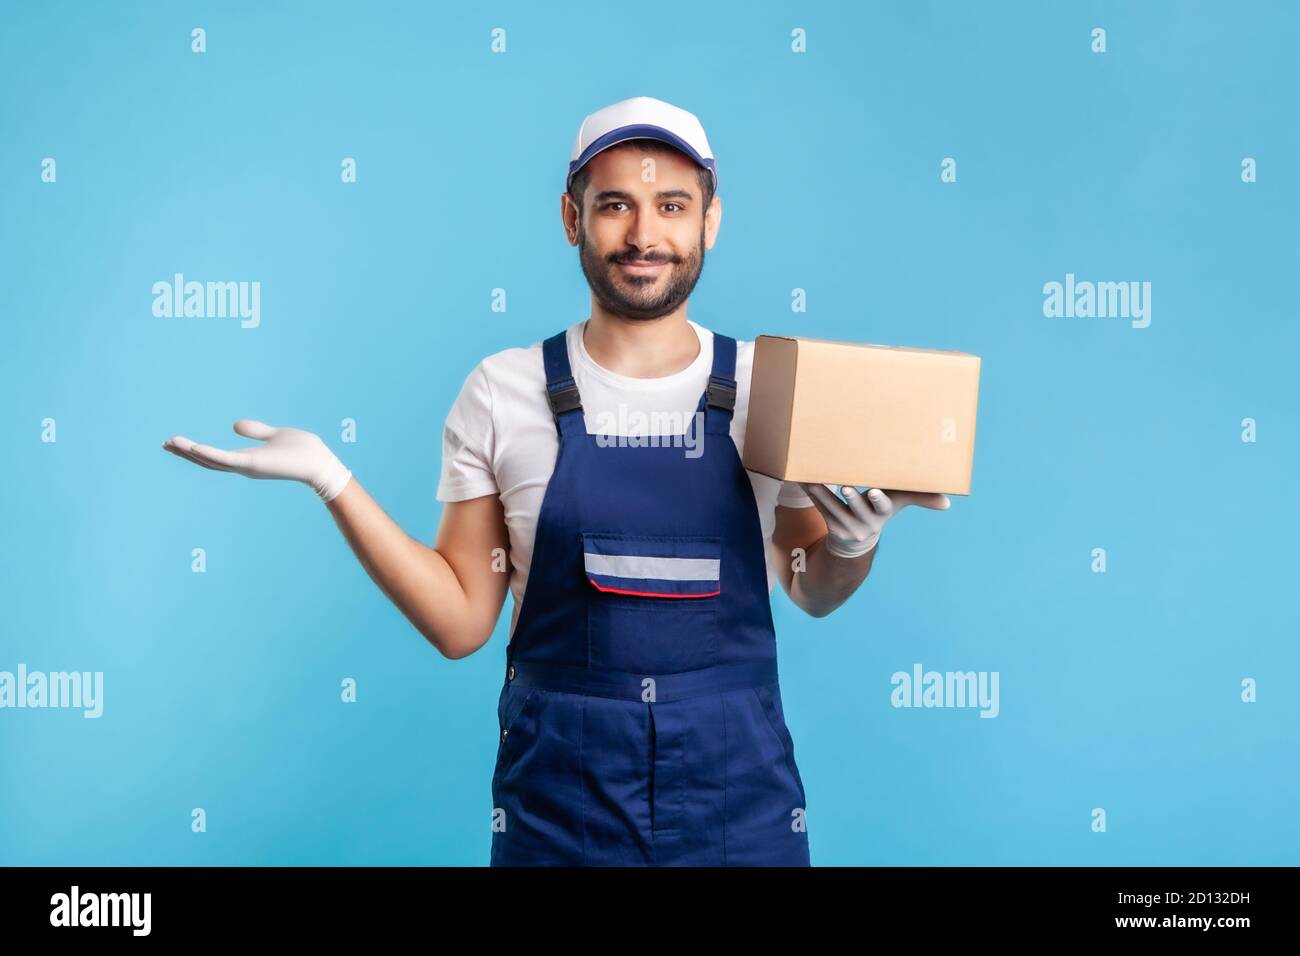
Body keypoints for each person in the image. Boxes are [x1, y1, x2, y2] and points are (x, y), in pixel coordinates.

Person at [162, 95, 950, 866]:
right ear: (572, 218)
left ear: (710, 221)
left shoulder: (769, 386)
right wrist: (332, 481)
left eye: (672, 205)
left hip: (738, 812)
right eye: (615, 205)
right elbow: (461, 624)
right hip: (560, 815)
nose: (645, 235)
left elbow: (813, 589)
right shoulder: (502, 391)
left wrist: (854, 543)